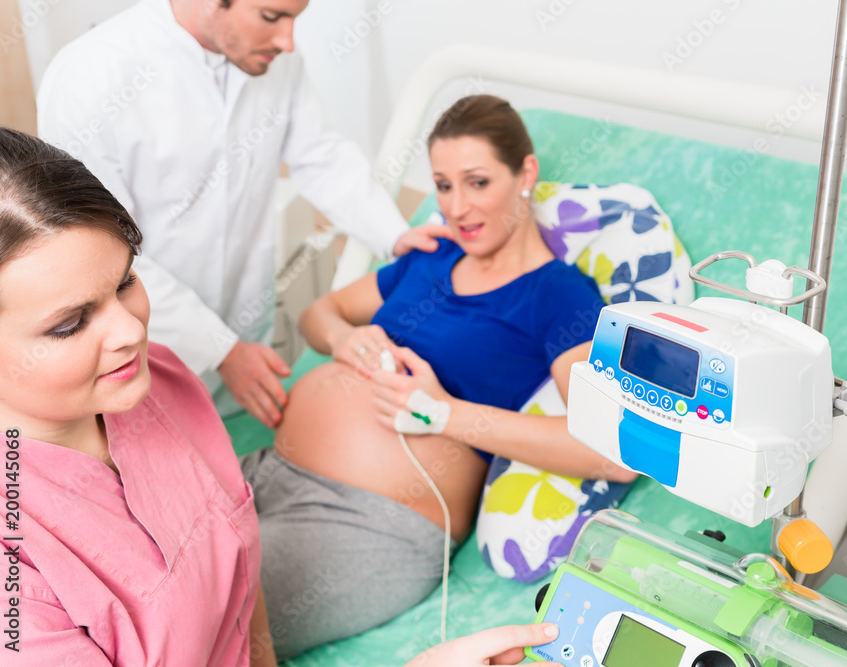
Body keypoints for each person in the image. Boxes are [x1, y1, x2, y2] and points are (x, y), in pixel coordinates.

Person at [0, 126, 563, 666]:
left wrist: (448, 414)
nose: (132, 332)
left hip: (371, 510)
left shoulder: (153, 381)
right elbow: (326, 315)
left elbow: (241, 582)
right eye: (68, 324)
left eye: (124, 282)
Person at [246, 95, 637, 658]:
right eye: (443, 185)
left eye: (478, 182)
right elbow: (318, 314)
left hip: (368, 522)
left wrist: (444, 413)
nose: (457, 207)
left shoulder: (556, 296)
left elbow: (611, 451)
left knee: (204, 623)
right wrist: (342, 338)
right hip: (268, 472)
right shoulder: (429, 257)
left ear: (526, 173)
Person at [36, 0, 448, 429]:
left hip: (244, 322)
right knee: (151, 455)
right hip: (142, 344)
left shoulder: (272, 60)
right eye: (272, 17)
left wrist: (395, 234)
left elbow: (321, 155)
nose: (288, 41)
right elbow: (101, 252)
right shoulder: (89, 79)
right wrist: (221, 351)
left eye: (295, 19)